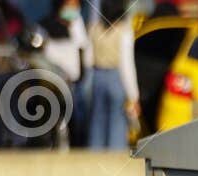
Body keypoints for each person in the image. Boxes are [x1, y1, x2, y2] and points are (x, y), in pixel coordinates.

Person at [86, 0, 134, 149]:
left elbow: (88, 60)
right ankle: (116, 156)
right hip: (116, 77)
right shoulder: (124, 30)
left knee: (97, 120)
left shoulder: (94, 29)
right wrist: (133, 95)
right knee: (118, 120)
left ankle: (95, 156)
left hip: (97, 77)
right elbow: (127, 65)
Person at [41, 2, 88, 145]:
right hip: (51, 82)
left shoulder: (77, 25)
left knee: (74, 120)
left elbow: (83, 47)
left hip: (72, 82)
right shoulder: (46, 26)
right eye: (70, 4)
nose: (73, 8)